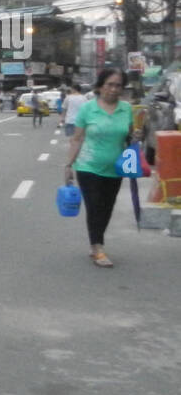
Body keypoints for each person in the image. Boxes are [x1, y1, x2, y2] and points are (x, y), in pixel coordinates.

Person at [64, 67, 138, 268]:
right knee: (95, 206)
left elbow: (128, 136)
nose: (114, 89)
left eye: (118, 85)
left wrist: (135, 138)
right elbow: (77, 139)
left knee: (107, 208)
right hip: (88, 167)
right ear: (100, 86)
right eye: (110, 84)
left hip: (115, 168)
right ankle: (98, 247)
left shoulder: (126, 109)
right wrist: (68, 165)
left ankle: (96, 242)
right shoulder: (88, 109)